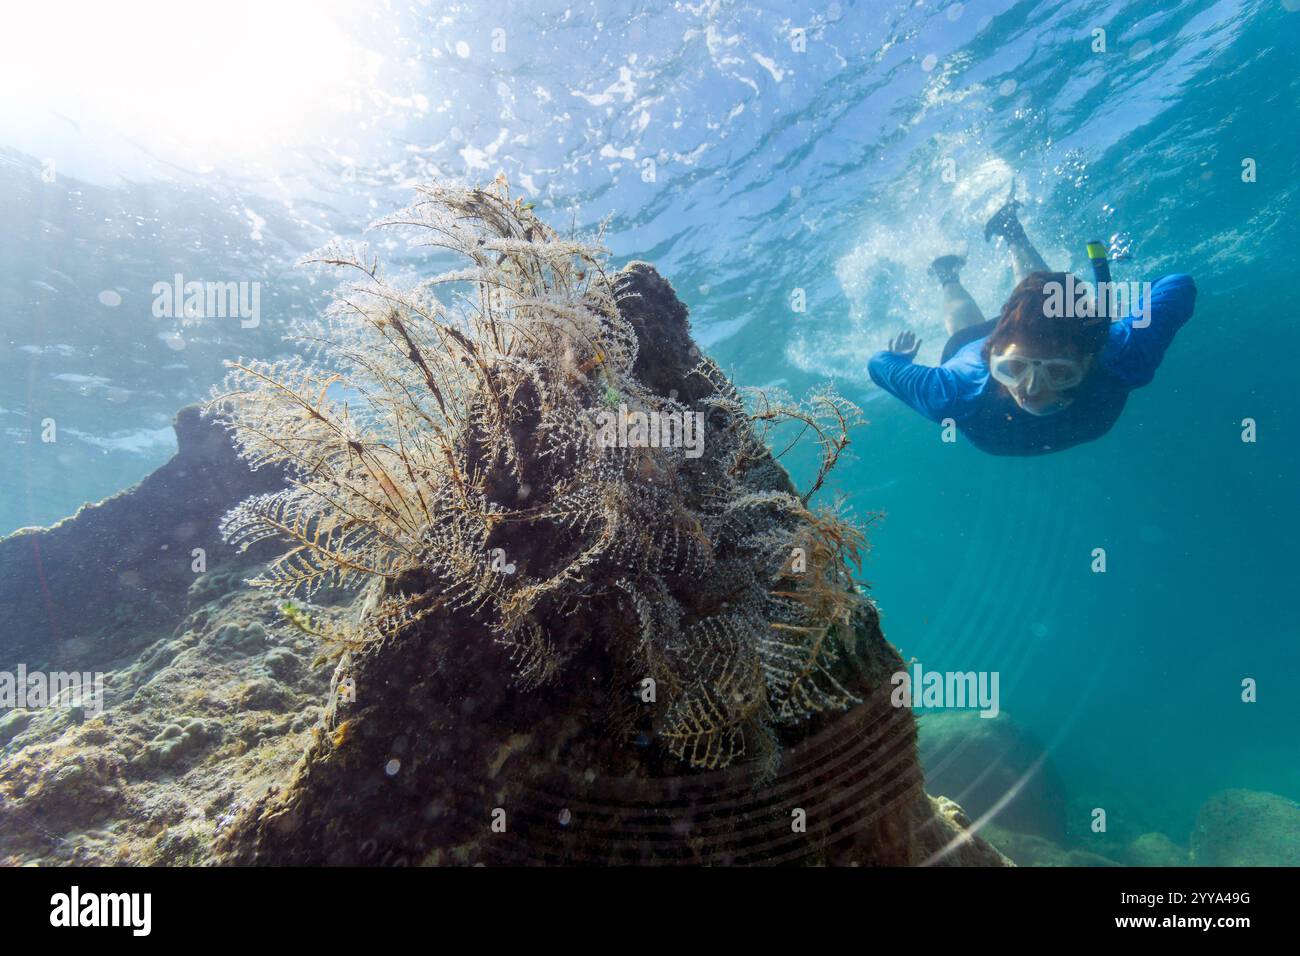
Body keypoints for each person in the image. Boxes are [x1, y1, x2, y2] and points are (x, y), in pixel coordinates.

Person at [868, 192, 1197, 455]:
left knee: (1043, 296)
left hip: (1034, 360)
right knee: (964, 336)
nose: (1031, 388)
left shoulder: (1119, 352)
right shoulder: (957, 389)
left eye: (1057, 372)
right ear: (993, 355)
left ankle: (1011, 228)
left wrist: (1108, 326)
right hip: (980, 351)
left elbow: (1178, 283)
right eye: (1014, 369)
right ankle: (947, 275)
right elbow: (879, 364)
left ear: (1088, 361)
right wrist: (898, 360)